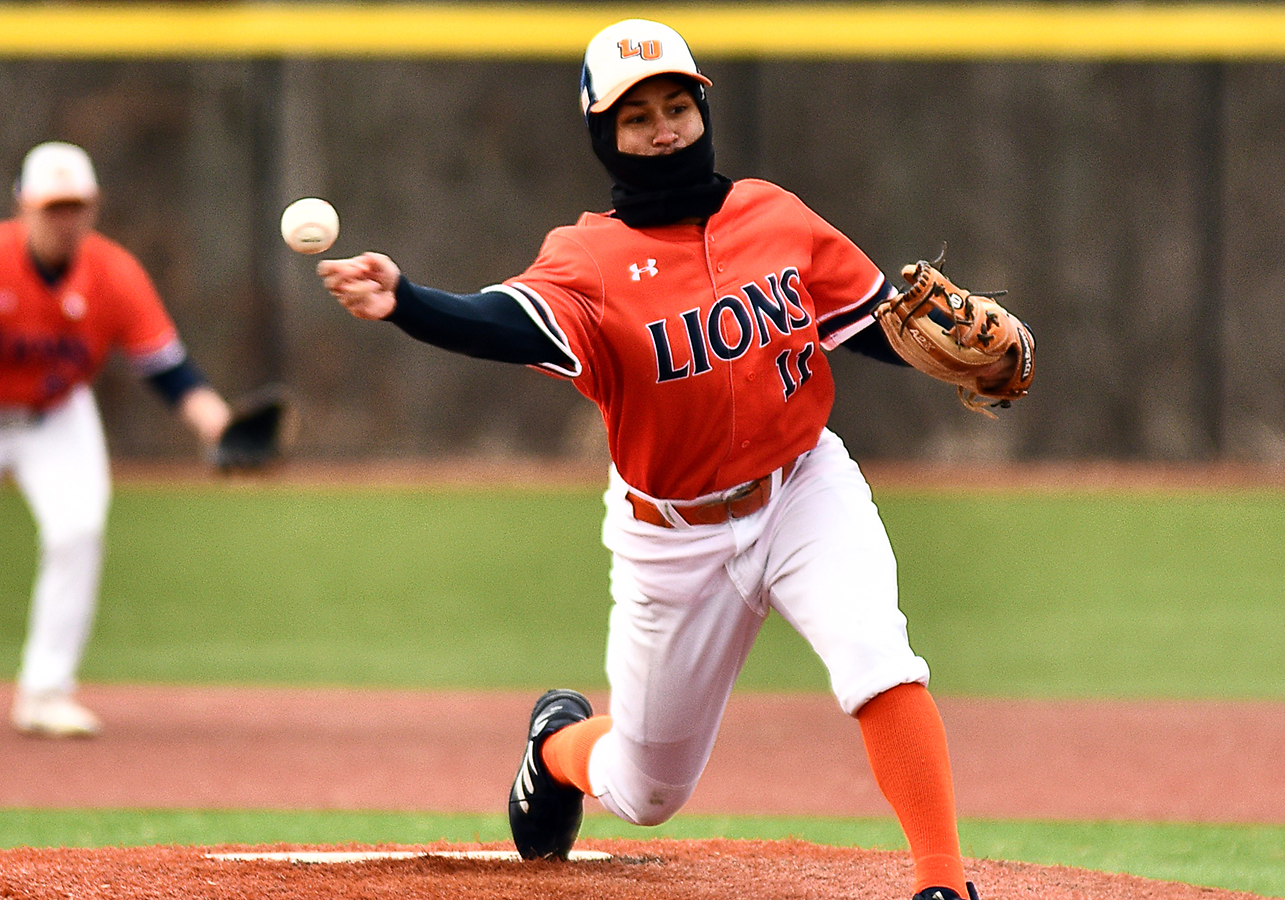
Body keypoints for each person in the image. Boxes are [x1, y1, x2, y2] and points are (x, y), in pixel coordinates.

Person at [319, 19, 1028, 900]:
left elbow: (877, 321)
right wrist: (410, 302)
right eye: (637, 117)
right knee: (645, 791)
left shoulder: (774, 214)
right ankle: (555, 746)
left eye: (676, 107)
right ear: (604, 136)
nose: (663, 130)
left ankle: (942, 883)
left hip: (803, 487)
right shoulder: (587, 260)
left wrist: (971, 363)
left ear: (702, 112)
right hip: (673, 533)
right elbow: (507, 321)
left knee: (876, 656)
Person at [0, 141, 233, 737]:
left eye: (74, 206)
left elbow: (166, 367)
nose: (64, 219)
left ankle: (45, 693)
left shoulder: (114, 273)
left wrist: (219, 424)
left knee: (77, 531)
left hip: (56, 415)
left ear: (94, 207)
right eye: (51, 207)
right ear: (22, 205)